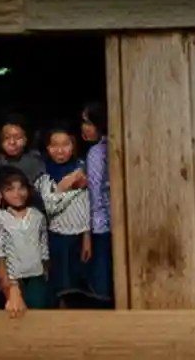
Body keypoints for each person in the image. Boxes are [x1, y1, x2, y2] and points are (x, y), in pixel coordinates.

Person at [34, 125, 92, 307]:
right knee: (58, 282)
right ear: (48, 148)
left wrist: (87, 236)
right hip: (56, 237)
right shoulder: (44, 175)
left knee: (78, 283)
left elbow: (86, 207)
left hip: (78, 236)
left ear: (73, 146)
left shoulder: (81, 169)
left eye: (65, 144)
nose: (60, 150)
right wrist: (68, 188)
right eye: (54, 145)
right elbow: (50, 205)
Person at [0, 169, 51, 318]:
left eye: (21, 188)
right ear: (1, 194)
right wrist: (6, 283)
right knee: (15, 318)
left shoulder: (37, 216)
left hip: (36, 276)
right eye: (10, 189)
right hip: (13, 280)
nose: (17, 193)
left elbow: (43, 247)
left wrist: (45, 271)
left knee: (38, 318)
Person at [83, 103, 114, 306]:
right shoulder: (111, 147)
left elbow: (94, 192)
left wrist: (89, 230)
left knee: (101, 279)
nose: (84, 127)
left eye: (88, 122)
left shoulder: (97, 152)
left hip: (101, 223)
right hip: (114, 221)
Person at [0, 113, 46, 183]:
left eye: (17, 137)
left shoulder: (36, 164)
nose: (12, 142)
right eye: (6, 138)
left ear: (26, 138)